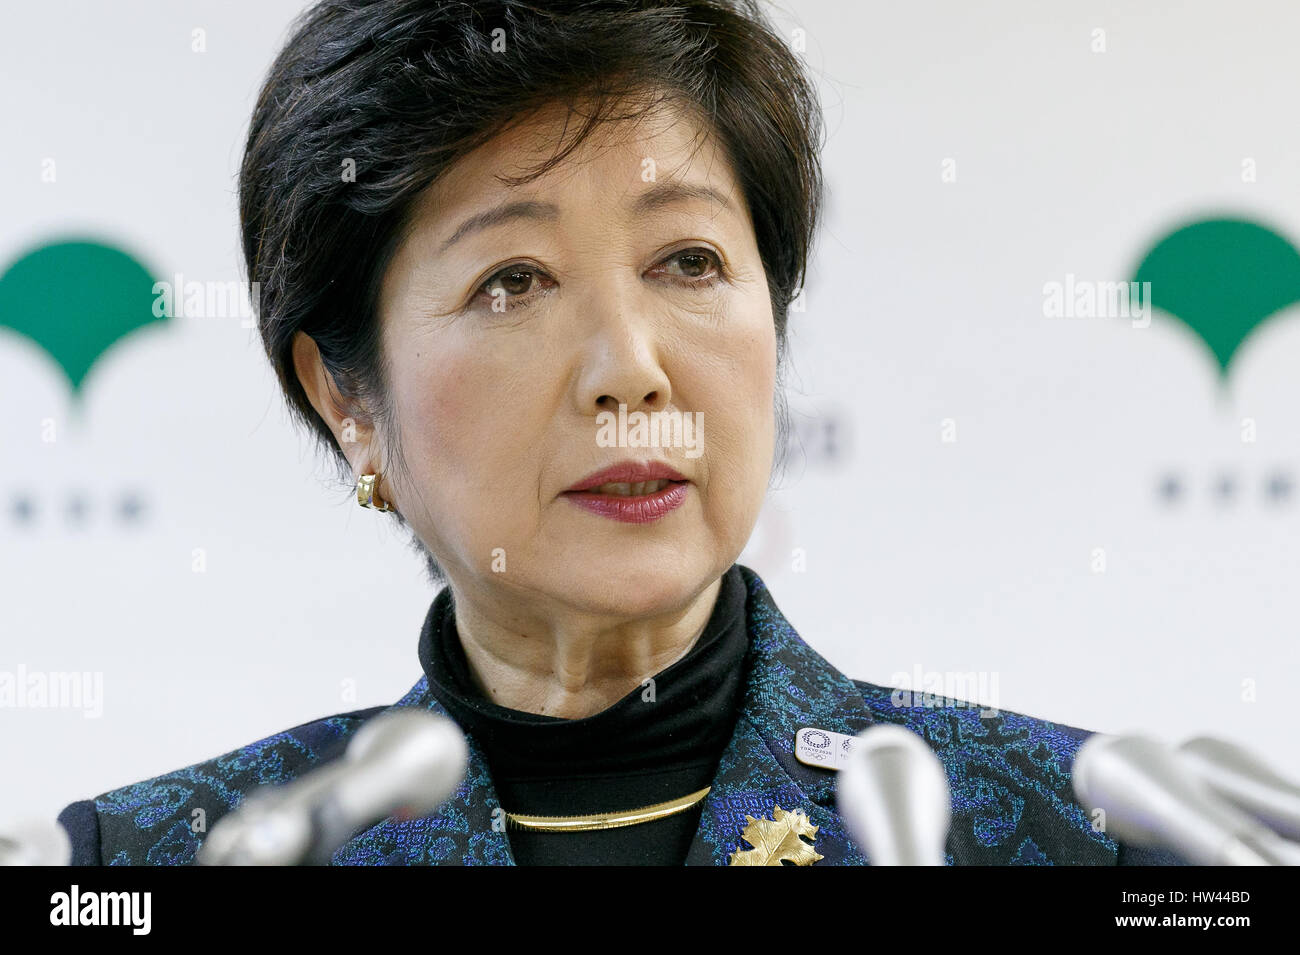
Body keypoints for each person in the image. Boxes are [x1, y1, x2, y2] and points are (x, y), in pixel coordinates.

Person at [56, 0, 1179, 865]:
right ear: (350, 401)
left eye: (687, 261)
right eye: (512, 281)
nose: (631, 370)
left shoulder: (1092, 834)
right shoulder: (146, 860)